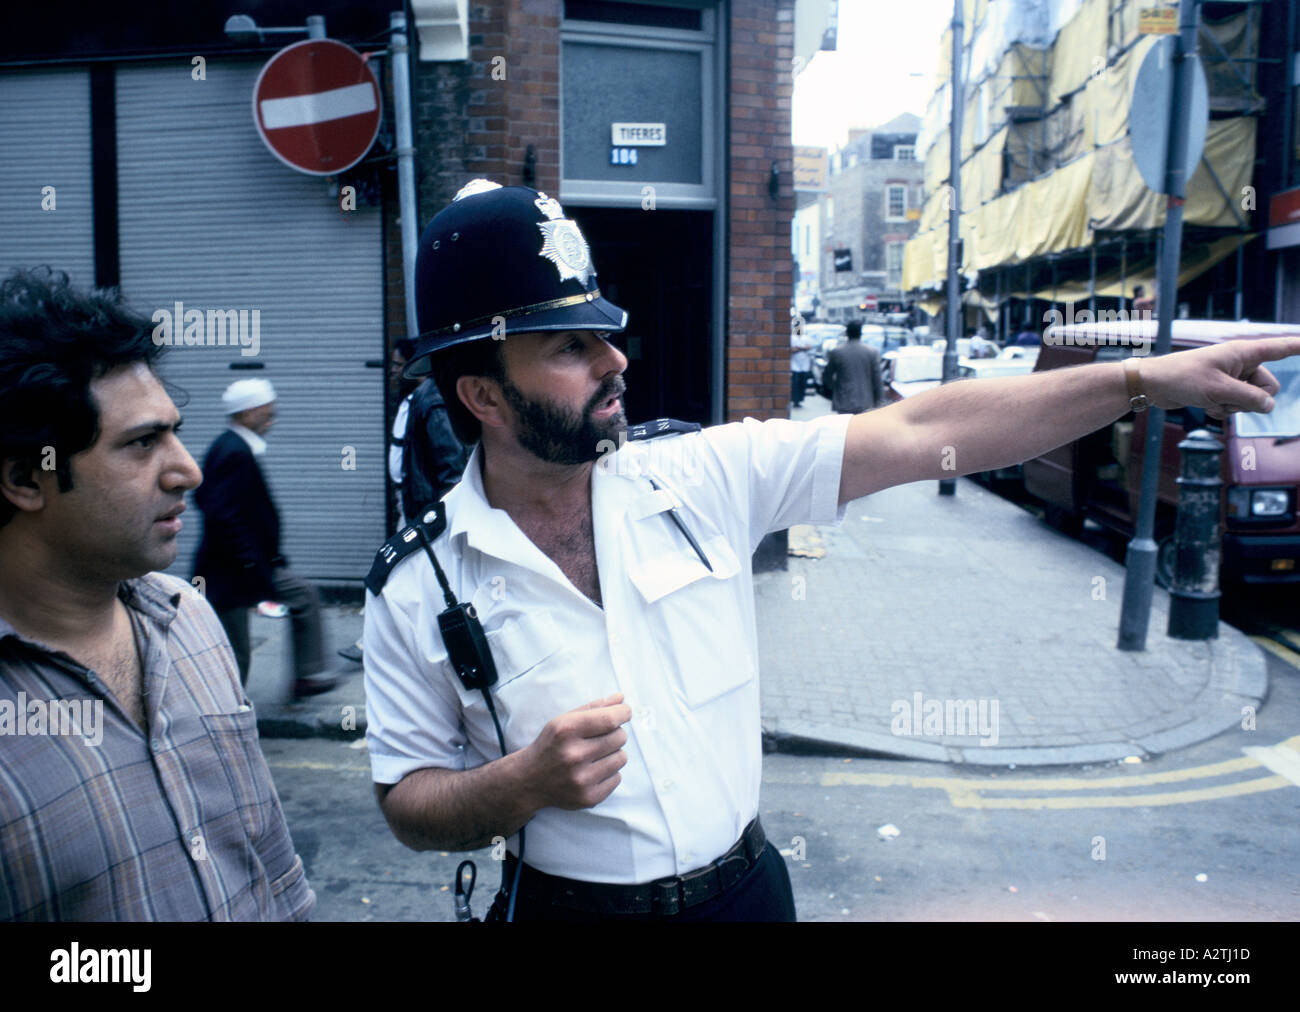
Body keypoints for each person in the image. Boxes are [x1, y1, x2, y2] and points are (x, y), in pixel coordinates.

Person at [361, 180, 1300, 922]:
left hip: (748, 899)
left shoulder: (702, 476)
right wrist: (518, 783)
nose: (616, 363)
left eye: (605, 335)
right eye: (569, 347)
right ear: (483, 396)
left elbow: (922, 426)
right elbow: (410, 800)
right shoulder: (418, 584)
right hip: (570, 913)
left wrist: (1138, 379)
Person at [0, 268, 314, 920]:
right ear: (28, 478)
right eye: (141, 443)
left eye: (173, 431)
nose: (186, 470)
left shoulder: (189, 621)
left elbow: (277, 878)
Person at [192, 379, 339, 699]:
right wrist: (249, 561)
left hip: (246, 566)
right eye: (265, 410)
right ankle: (222, 714)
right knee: (234, 653)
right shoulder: (233, 451)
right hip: (229, 572)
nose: (272, 415)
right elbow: (220, 513)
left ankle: (306, 676)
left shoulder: (232, 447)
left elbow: (206, 498)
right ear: (247, 412)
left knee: (302, 595)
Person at [400, 375, 469, 525]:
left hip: (429, 510)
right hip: (432, 512)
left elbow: (450, 469)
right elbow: (451, 469)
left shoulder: (429, 395)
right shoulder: (436, 396)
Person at [822, 319, 884, 414]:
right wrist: (879, 401)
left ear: (847, 333)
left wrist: (835, 388)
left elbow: (827, 376)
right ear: (860, 333)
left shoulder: (837, 352)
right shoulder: (872, 352)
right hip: (865, 401)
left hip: (843, 399)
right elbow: (877, 380)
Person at [790, 316, 815, 408]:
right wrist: (802, 348)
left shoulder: (806, 338)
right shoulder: (791, 338)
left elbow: (810, 347)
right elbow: (792, 349)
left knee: (802, 383)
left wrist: (799, 348)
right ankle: (795, 400)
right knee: (795, 383)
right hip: (794, 365)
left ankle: (800, 400)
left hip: (804, 364)